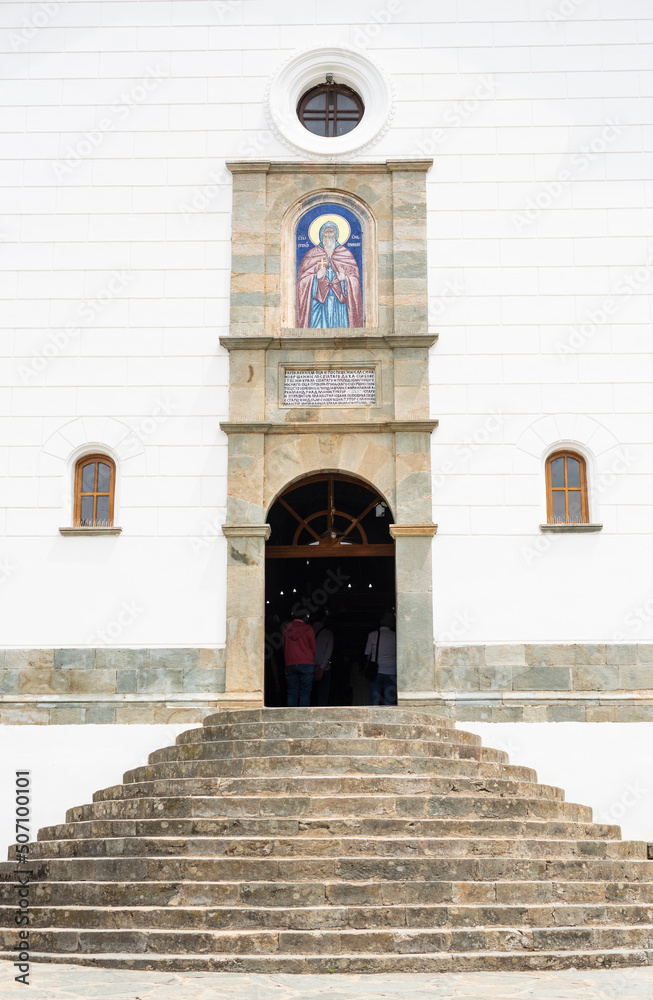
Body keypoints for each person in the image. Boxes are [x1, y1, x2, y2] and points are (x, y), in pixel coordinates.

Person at [296, 220, 363, 329]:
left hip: (340, 305)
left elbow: (355, 281)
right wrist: (315, 278)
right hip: (319, 304)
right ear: (321, 234)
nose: (328, 235)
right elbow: (301, 282)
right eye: (326, 232)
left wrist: (345, 279)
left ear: (336, 234)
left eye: (331, 232)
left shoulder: (345, 254)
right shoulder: (312, 254)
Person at [282, 611, 316, 707]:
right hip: (306, 663)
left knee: (292, 692)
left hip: (290, 663)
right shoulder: (308, 628)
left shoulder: (286, 628)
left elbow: (283, 646)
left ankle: (291, 718)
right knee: (305, 693)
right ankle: (303, 719)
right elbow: (313, 648)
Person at [365, 612, 397, 706]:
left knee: (374, 699)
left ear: (381, 621)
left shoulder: (373, 635)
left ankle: (374, 719)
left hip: (376, 672)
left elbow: (368, 655)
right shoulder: (395, 636)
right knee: (390, 702)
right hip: (391, 671)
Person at [312, 611, 334, 707]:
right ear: (324, 619)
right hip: (325, 669)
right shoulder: (328, 633)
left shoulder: (307, 631)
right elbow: (328, 653)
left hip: (309, 667)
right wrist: (322, 668)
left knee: (309, 695)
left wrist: (313, 666)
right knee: (323, 697)